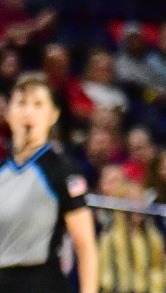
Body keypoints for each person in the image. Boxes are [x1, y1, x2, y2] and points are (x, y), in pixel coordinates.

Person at [0, 74, 97, 293]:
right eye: (21, 103)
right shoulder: (3, 172)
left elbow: (85, 246)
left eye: (38, 104)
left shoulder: (62, 170)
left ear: (53, 115)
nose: (28, 112)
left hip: (41, 282)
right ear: (8, 113)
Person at [96, 165, 166, 293]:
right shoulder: (110, 240)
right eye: (132, 202)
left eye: (140, 201)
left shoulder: (152, 236)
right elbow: (108, 281)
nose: (137, 207)